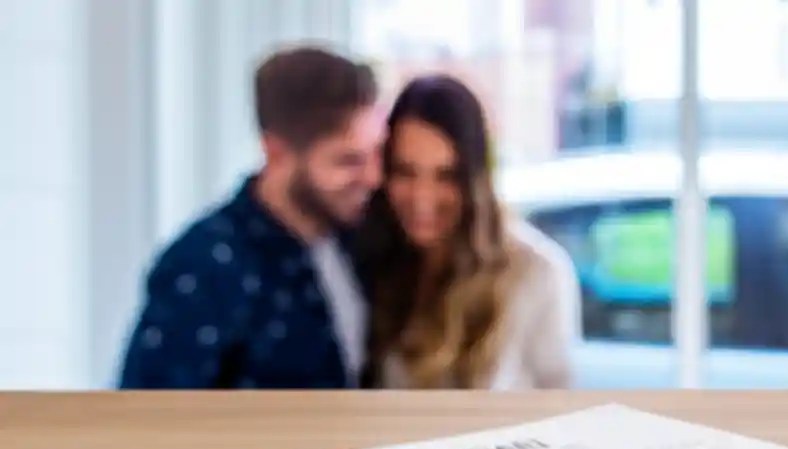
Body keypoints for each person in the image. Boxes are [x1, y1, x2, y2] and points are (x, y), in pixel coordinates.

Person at [118, 46, 382, 389]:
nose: (373, 178)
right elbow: (148, 416)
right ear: (277, 153)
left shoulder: (355, 239)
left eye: (377, 152)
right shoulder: (204, 267)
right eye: (347, 161)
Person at [358, 75, 580, 389]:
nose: (422, 198)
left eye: (446, 176)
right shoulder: (375, 258)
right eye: (405, 172)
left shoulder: (537, 272)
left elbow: (560, 407)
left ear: (475, 180)